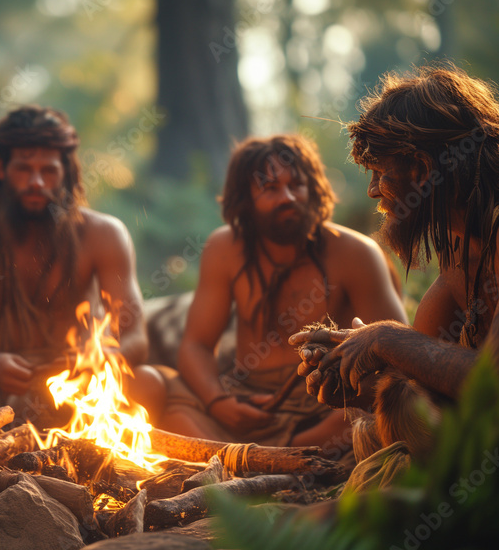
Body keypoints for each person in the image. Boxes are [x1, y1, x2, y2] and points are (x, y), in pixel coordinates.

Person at [293, 65, 499, 459]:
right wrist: (354, 374)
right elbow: (425, 379)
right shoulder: (461, 235)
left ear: (423, 169)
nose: (372, 191)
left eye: (377, 173)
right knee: (389, 418)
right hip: (497, 443)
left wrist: (385, 338)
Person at [143, 134, 406, 450]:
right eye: (270, 188)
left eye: (296, 185)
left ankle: (264, 459)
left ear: (313, 189)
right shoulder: (224, 248)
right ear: (245, 200)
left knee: (384, 401)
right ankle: (240, 458)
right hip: (241, 409)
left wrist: (304, 440)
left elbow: (398, 358)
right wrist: (218, 403)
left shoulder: (356, 253)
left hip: (329, 410)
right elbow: (196, 346)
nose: (288, 197)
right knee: (148, 383)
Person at [0, 105, 148, 422]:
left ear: (66, 173)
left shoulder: (103, 235)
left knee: (150, 384)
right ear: (1, 169)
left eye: (48, 171)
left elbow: (136, 336)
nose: (36, 182)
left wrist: (94, 361)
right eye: (23, 169)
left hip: (77, 393)